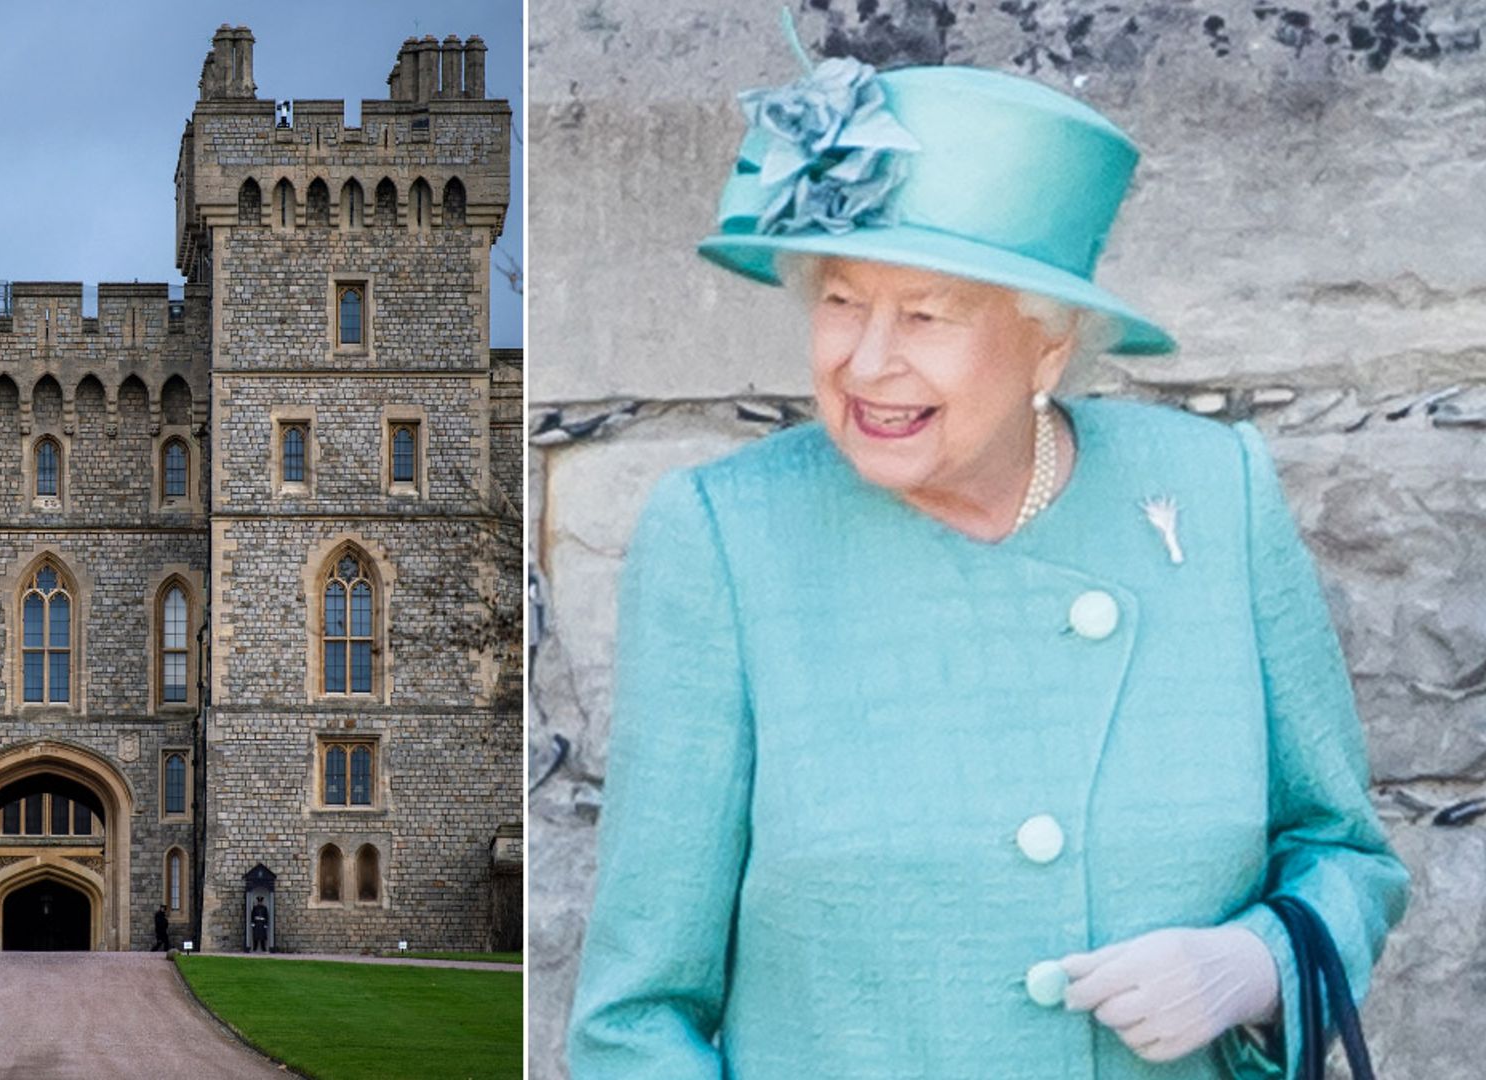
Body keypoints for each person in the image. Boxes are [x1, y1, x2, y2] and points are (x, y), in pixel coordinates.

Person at [566, 25, 1409, 1080]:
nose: (868, 362)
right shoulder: (726, 539)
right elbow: (635, 1022)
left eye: (927, 315)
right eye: (841, 302)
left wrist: (1257, 964)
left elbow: (1346, 855)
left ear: (1047, 345)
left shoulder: (1212, 493)